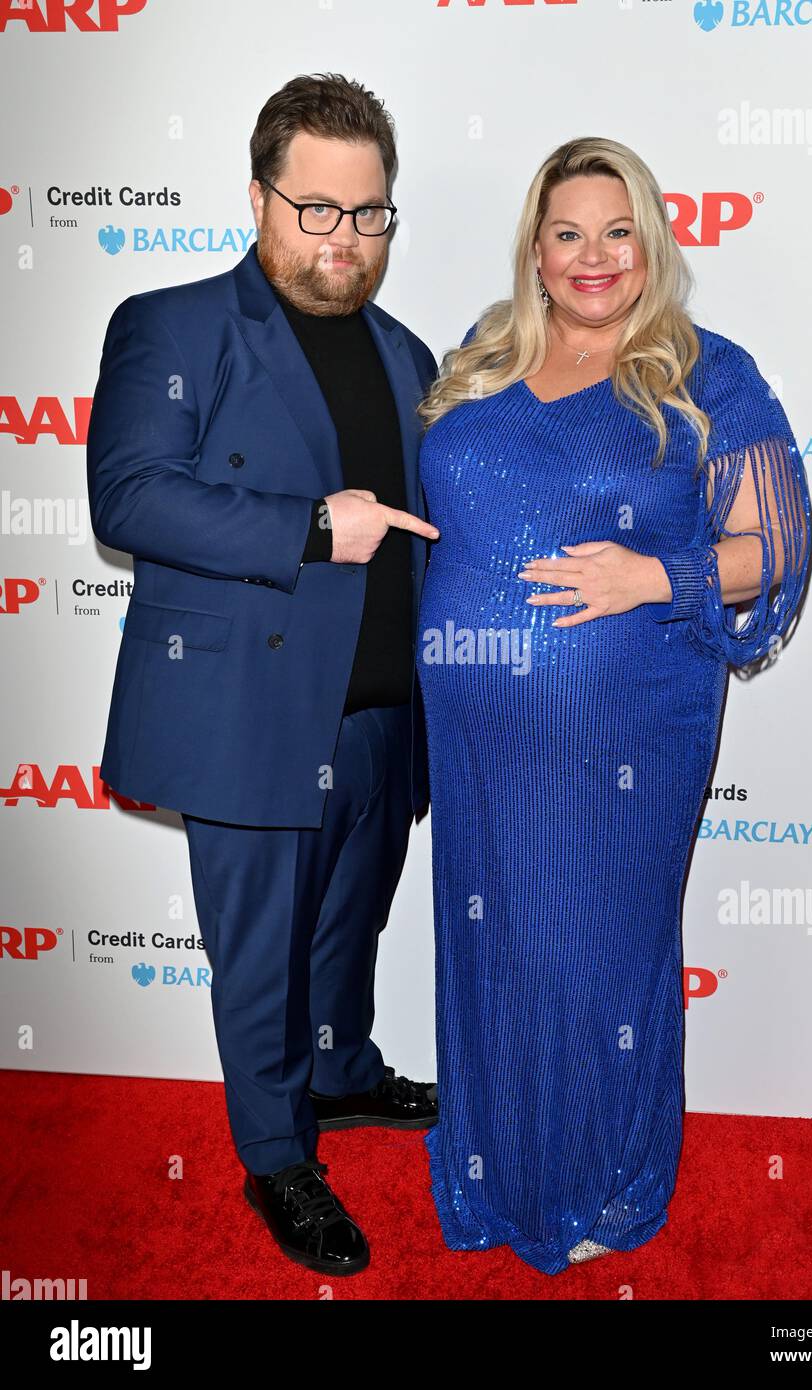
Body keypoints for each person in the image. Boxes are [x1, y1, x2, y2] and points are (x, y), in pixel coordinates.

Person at [414, 136, 812, 1275]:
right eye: (566, 233)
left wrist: (656, 576)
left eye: (616, 230)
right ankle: (498, 1171)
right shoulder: (480, 360)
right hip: (480, 739)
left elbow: (775, 543)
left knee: (596, 958)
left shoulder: (704, 371)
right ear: (535, 252)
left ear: (651, 242)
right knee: (498, 953)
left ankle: (606, 1179)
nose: (592, 257)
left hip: (625, 736)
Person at [86, 73, 441, 1278]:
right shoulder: (173, 324)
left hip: (385, 709)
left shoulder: (407, 351)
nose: (343, 240)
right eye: (316, 210)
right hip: (250, 714)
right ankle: (277, 1154)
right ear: (257, 196)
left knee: (348, 927)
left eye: (368, 213)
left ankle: (339, 1073)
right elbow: (128, 493)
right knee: (261, 955)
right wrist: (305, 525)